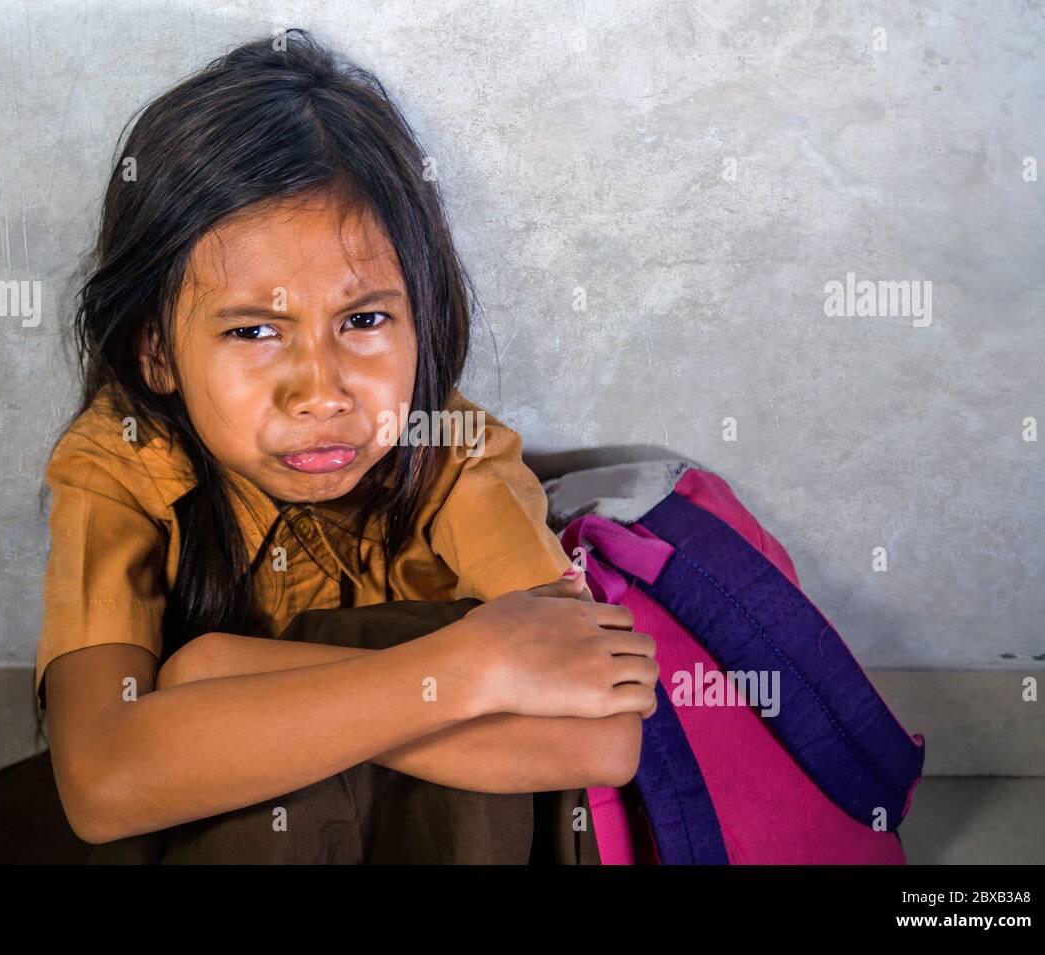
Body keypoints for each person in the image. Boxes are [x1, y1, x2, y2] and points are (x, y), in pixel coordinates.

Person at [35, 28, 658, 858]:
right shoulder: (121, 463)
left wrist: (216, 679)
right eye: (254, 329)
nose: (321, 392)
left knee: (235, 728)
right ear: (157, 351)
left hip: (441, 838)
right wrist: (465, 670)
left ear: (422, 315)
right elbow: (103, 782)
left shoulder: (454, 452)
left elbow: (600, 744)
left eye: (364, 320)